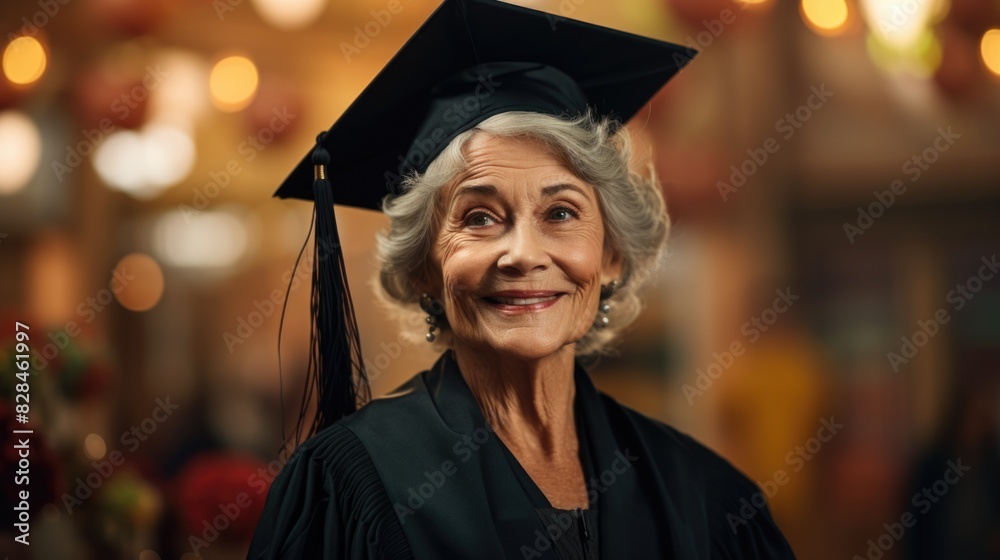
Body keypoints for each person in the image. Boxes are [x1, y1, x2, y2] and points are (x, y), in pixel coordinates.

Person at [248, 0, 797, 558]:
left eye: (561, 212)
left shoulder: (704, 497)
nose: (524, 255)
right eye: (478, 218)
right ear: (422, 271)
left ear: (611, 255)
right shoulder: (349, 488)